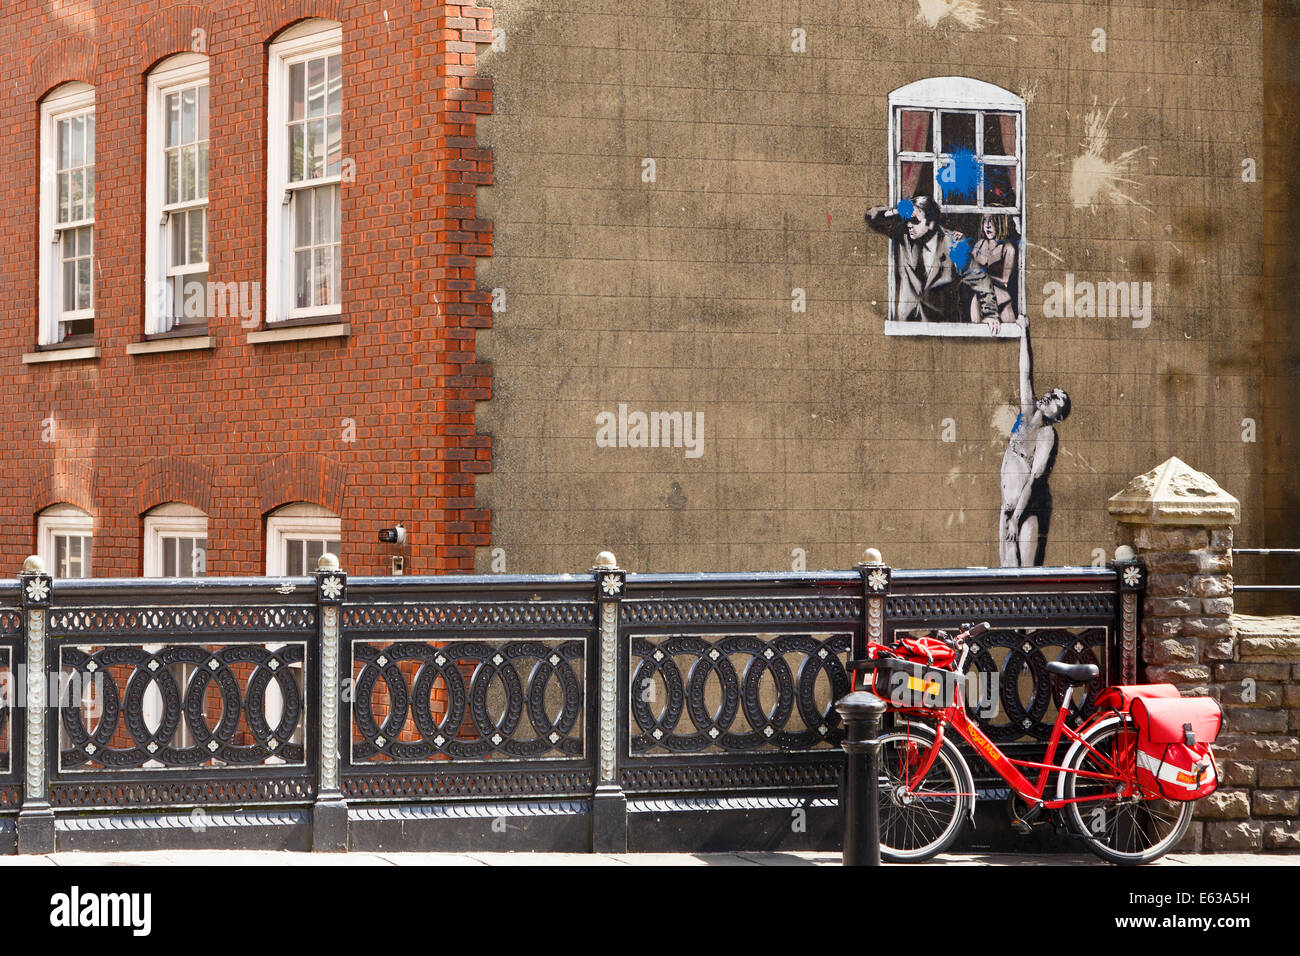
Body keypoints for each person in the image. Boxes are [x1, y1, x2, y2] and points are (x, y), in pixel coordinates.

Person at [865, 195, 1001, 330]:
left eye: (914, 220)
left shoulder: (953, 245)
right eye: (907, 220)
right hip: (907, 326)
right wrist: (897, 211)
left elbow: (981, 280)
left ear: (931, 223)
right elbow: (871, 217)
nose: (909, 225)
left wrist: (990, 315)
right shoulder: (904, 236)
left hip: (942, 330)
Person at [1000, 313, 1070, 567]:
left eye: (1057, 401)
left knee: (1026, 577)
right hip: (1008, 508)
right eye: (1052, 394)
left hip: (1026, 512)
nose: (1051, 397)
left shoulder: (1047, 434)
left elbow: (1033, 478)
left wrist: (1017, 518)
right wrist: (1023, 332)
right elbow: (1025, 372)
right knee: (1005, 575)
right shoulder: (1027, 414)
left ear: (1057, 417)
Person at [968, 214, 1018, 329]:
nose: (988, 226)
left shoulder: (1008, 248)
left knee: (1009, 338)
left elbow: (1005, 280)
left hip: (1002, 301)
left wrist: (983, 276)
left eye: (992, 221)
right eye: (985, 221)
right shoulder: (979, 245)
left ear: (1000, 223)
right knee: (978, 336)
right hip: (980, 300)